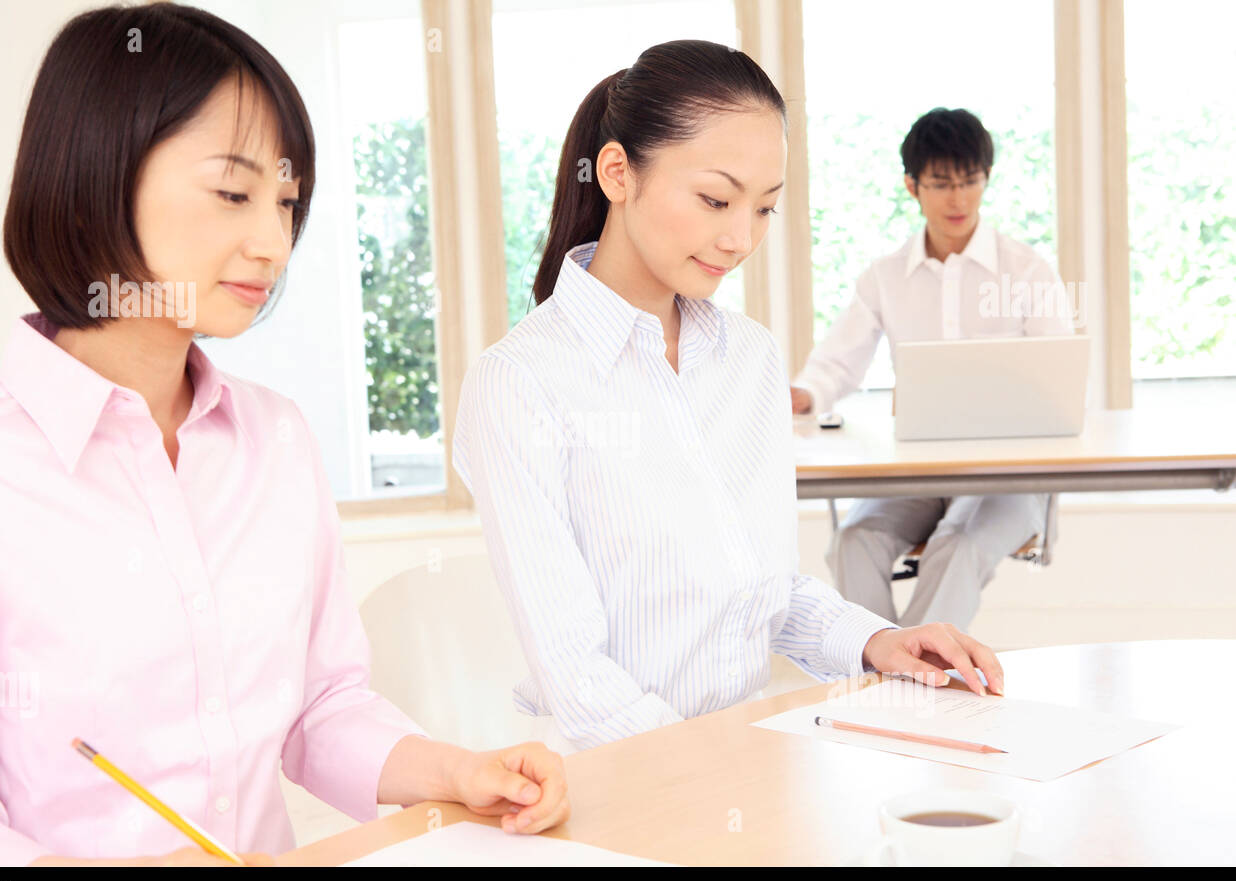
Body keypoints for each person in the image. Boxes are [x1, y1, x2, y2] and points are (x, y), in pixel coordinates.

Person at [0, 3, 567, 867]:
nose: (273, 243)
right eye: (233, 193)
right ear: (94, 172)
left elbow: (320, 707)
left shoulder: (273, 439)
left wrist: (456, 771)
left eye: (286, 201)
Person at [453, 41, 1004, 756]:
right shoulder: (521, 383)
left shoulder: (750, 358)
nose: (741, 237)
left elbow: (762, 590)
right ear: (618, 173)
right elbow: (576, 674)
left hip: (746, 760)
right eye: (715, 199)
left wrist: (879, 640)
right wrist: (712, 776)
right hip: (612, 778)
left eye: (766, 208)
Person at [791, 107, 1075, 631]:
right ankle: (887, 683)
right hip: (919, 475)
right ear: (912, 186)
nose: (958, 198)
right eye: (941, 183)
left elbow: (1058, 382)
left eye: (970, 181)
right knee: (853, 542)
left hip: (1008, 478)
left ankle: (897, 688)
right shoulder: (885, 277)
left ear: (986, 179)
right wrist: (804, 395)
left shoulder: (1027, 270)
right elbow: (835, 364)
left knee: (956, 546)